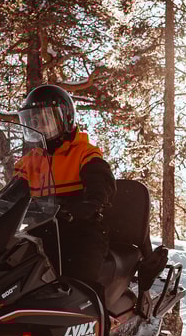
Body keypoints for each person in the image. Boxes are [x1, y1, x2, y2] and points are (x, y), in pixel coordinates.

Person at [13, 85, 116, 293]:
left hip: (79, 230)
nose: (39, 126)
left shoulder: (83, 152)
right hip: (38, 233)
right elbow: (13, 192)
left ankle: (95, 322)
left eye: (45, 119)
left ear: (65, 119)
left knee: (80, 283)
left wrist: (93, 201)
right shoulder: (30, 161)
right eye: (33, 121)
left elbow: (99, 178)